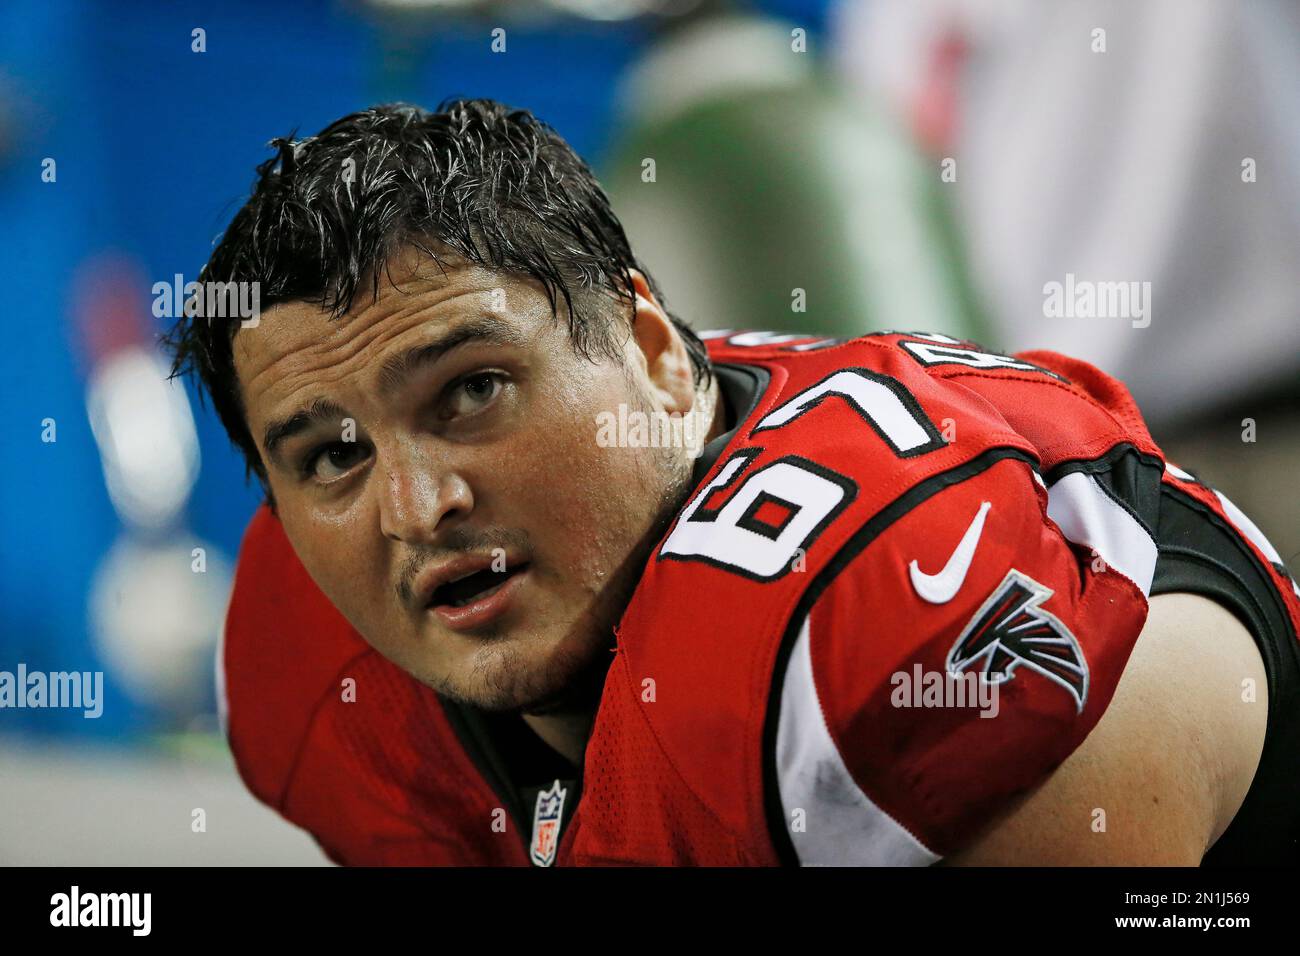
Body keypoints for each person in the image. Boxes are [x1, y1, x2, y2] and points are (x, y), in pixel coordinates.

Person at [167, 99, 1300, 866]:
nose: (417, 507)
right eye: (331, 454)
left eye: (470, 391)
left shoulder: (893, 638)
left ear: (656, 352)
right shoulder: (320, 670)